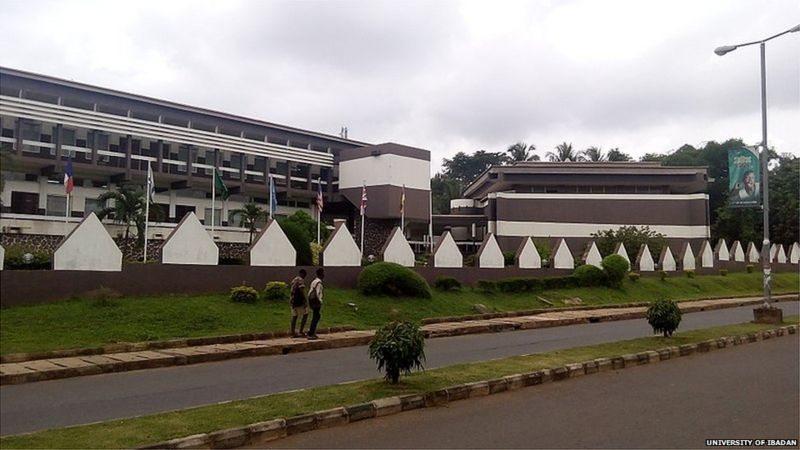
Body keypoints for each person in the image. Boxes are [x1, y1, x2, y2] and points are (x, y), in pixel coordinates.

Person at [306, 268, 324, 340]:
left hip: (312, 301)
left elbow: (310, 292)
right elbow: (317, 293)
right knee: (316, 317)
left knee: (316, 316)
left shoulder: (313, 281)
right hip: (316, 302)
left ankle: (311, 332)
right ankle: (311, 333)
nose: (323, 275)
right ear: (320, 274)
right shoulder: (319, 283)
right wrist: (320, 301)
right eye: (322, 273)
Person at [289, 269, 308, 337]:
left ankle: (292, 332)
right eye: (304, 275)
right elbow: (301, 291)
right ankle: (301, 331)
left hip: (292, 301)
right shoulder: (300, 280)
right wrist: (305, 300)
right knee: (305, 314)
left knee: (294, 316)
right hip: (299, 301)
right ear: (303, 274)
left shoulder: (294, 280)